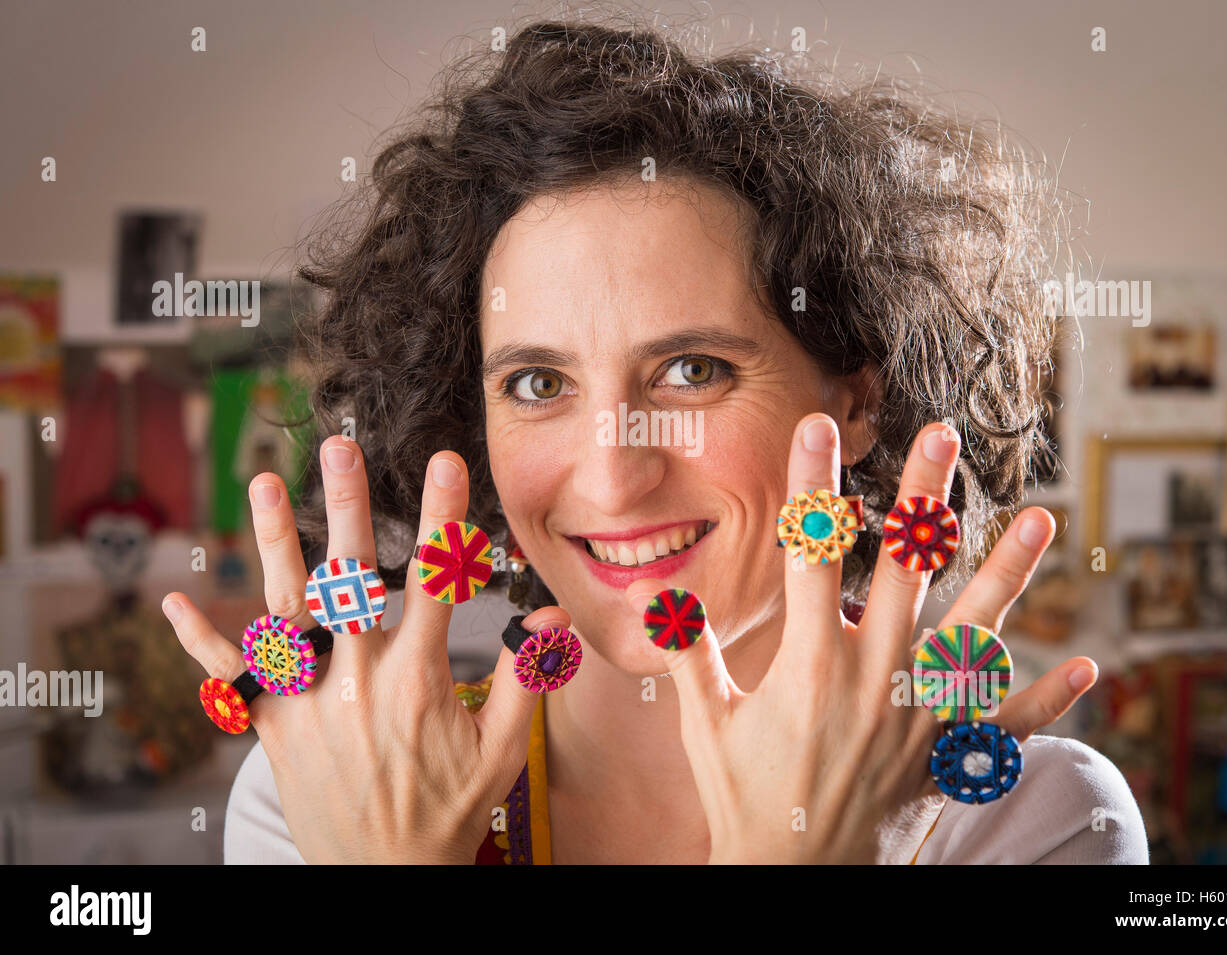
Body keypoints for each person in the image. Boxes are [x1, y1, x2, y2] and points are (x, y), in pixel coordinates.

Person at [164, 17, 1147, 863]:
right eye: (538, 383)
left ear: (853, 403)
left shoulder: (1025, 815)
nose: (613, 474)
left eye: (693, 370)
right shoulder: (325, 789)